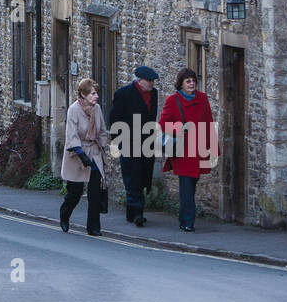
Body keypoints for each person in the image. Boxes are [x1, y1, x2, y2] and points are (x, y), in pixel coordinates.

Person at [159, 67, 218, 232]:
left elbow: (209, 121)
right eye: (188, 81)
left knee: (192, 183)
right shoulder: (173, 100)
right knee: (186, 185)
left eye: (193, 80)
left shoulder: (202, 98)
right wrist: (180, 128)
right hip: (182, 149)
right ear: (181, 84)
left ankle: (184, 216)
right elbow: (162, 124)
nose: (192, 83)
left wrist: (213, 147)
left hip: (198, 148)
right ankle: (187, 221)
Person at [108, 65, 161, 227]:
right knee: (132, 178)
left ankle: (132, 212)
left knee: (144, 177)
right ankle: (138, 213)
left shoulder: (154, 94)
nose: (152, 84)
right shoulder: (124, 94)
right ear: (140, 80)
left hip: (147, 143)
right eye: (149, 81)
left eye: (153, 81)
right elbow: (114, 118)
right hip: (129, 143)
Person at [60, 77, 107, 235]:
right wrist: (80, 154)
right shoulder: (74, 110)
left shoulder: (97, 109)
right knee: (75, 193)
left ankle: (93, 227)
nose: (96, 96)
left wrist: (103, 148)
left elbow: (102, 131)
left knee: (95, 193)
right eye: (93, 93)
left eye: (96, 93)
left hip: (93, 153)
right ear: (83, 95)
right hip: (77, 154)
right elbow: (71, 135)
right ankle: (65, 215)